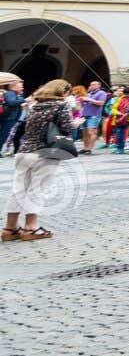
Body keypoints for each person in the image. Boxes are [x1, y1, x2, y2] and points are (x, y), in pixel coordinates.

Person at [1, 79, 76, 242]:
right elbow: (67, 129)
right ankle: (31, 227)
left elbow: (27, 128)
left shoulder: (34, 105)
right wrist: (76, 123)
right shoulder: (61, 106)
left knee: (18, 189)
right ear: (62, 92)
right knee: (37, 190)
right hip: (45, 152)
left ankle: (10, 228)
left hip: (24, 152)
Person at [78, 80, 106, 154]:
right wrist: (81, 101)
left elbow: (101, 103)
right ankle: (85, 148)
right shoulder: (89, 93)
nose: (91, 86)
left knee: (91, 132)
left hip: (94, 115)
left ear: (99, 85)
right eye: (91, 84)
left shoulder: (101, 93)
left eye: (94, 84)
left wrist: (89, 99)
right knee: (84, 133)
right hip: (84, 115)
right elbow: (83, 105)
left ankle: (89, 149)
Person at [0, 81, 23, 159]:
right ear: (13, 87)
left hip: (10, 118)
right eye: (20, 86)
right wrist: (22, 99)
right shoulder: (10, 93)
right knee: (3, 135)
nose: (22, 88)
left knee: (3, 135)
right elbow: (11, 102)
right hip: (8, 118)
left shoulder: (14, 94)